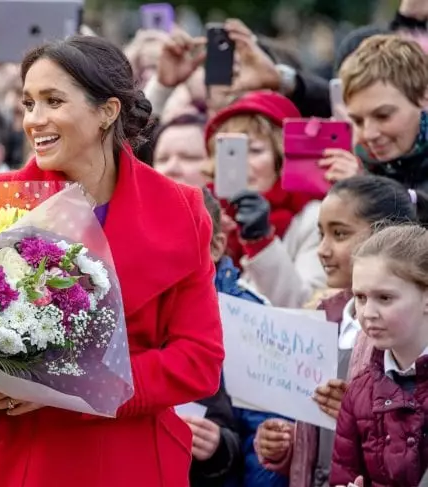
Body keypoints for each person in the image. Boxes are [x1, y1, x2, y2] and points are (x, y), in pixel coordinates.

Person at [0, 35, 224, 487]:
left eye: (53, 101)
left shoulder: (181, 209)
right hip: (21, 454)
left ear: (107, 112)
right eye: (28, 103)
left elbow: (198, 361)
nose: (34, 120)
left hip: (128, 453)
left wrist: (74, 388)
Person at [256, 176, 424, 487]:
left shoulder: (391, 331)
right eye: (321, 234)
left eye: (339, 234)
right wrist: (285, 444)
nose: (322, 250)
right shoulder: (321, 316)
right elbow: (316, 437)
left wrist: (361, 413)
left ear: (383, 235)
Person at [193, 188, 287, 487]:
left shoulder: (247, 314)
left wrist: (221, 447)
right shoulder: (128, 304)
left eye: (185, 239)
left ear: (217, 246)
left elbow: (266, 435)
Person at [204, 90, 325, 308]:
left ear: (281, 158)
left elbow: (308, 308)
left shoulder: (313, 216)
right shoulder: (202, 212)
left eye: (255, 150)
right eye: (232, 153)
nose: (242, 164)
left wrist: (262, 243)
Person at [331, 224, 428, 487]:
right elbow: (344, 475)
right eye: (360, 297)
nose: (368, 313)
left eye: (384, 298)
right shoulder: (359, 392)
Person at [336, 35, 428, 190]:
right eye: (358, 121)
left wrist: (368, 195)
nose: (368, 134)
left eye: (383, 116)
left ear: (423, 97)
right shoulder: (359, 165)